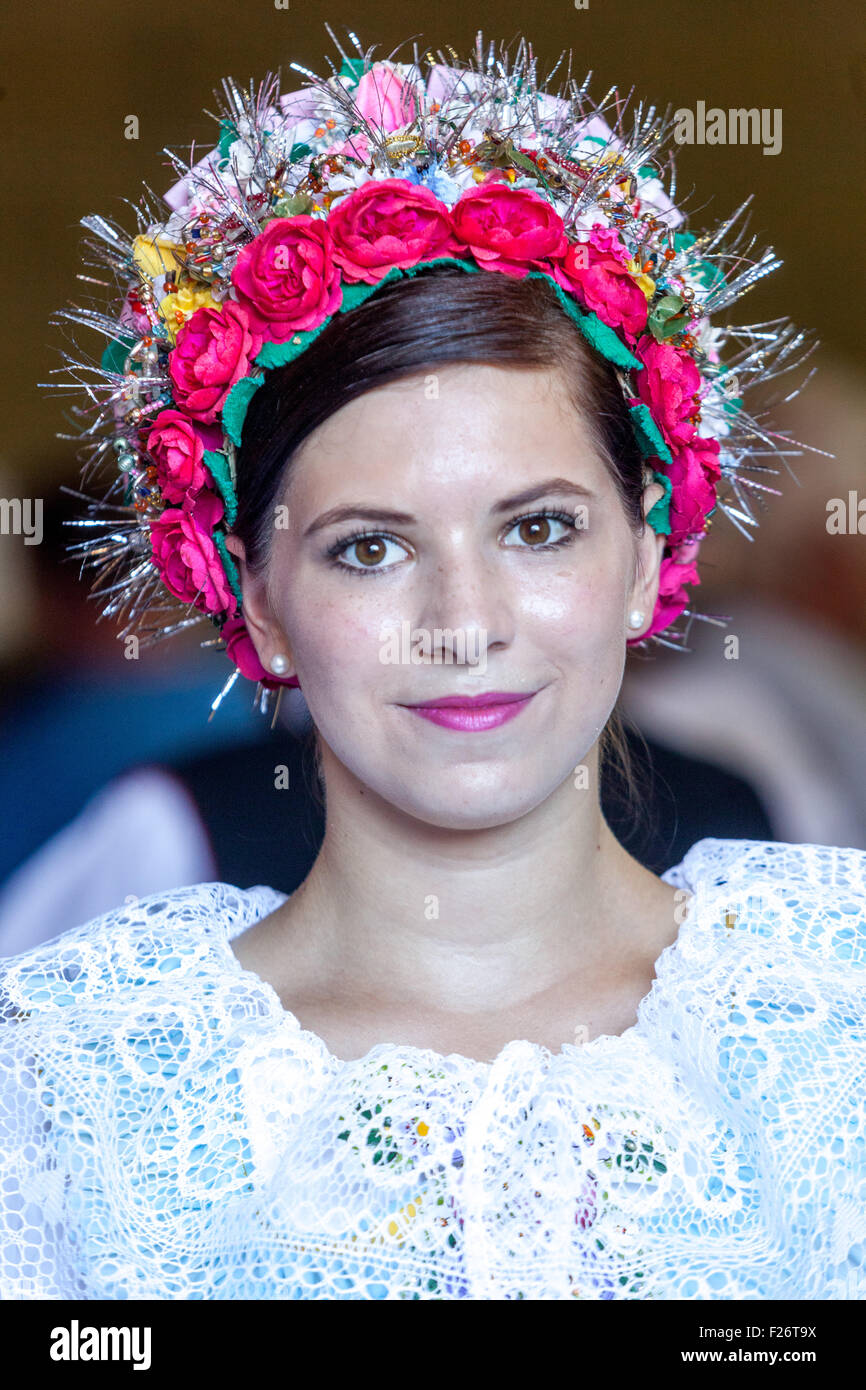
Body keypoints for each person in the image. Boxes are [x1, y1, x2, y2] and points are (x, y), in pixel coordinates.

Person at [1, 29, 863, 1301]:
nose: (464, 621)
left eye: (537, 527)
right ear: (260, 607)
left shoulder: (835, 1012)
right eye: (367, 549)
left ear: (644, 557)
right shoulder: (75, 1080)